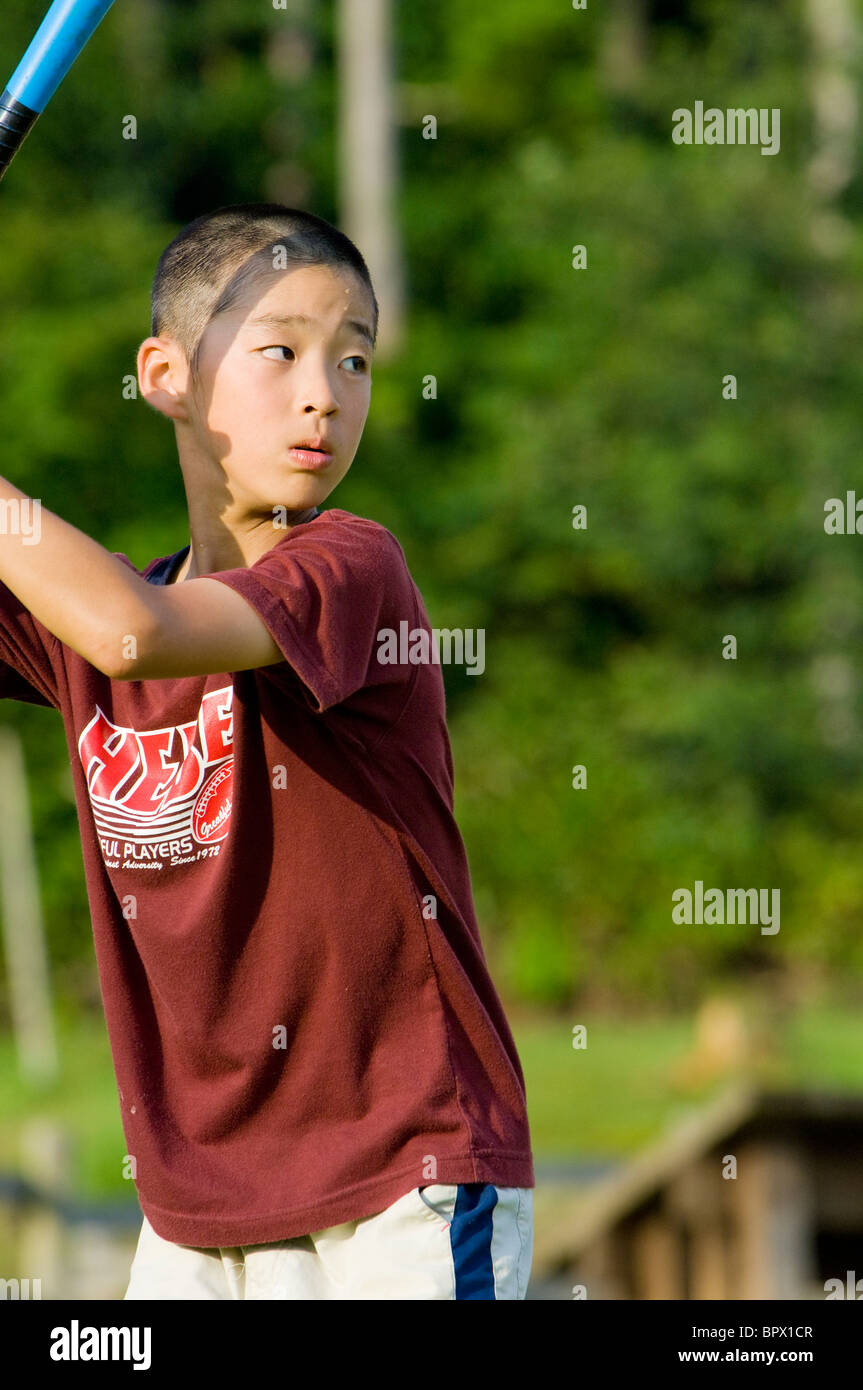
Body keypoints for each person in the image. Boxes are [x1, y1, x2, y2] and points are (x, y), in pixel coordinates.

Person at [0, 203, 534, 1300]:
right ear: (165, 375)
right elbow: (99, 611)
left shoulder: (348, 569)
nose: (322, 395)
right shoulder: (86, 614)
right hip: (200, 1211)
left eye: (355, 361)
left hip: (402, 1177)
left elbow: (134, 635)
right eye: (280, 350)